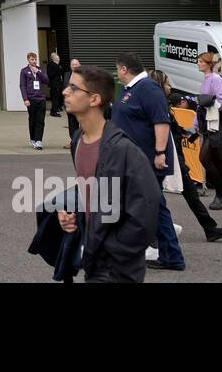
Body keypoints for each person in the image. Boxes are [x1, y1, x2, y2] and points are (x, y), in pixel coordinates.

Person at [57, 66, 161, 282]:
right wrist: (70, 212)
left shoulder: (124, 149)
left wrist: (117, 249)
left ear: (94, 99)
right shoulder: (78, 139)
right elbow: (91, 189)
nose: (65, 92)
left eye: (74, 88)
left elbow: (147, 207)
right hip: (93, 258)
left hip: (116, 267)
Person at [112, 52, 185, 271]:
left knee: (154, 207)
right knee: (149, 206)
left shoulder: (148, 89)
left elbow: (161, 121)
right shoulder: (132, 90)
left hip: (147, 161)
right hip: (133, 160)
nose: (117, 73)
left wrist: (160, 152)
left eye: (118, 69)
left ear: (124, 69)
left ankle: (171, 256)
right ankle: (162, 250)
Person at [149, 71, 222, 242]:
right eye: (166, 84)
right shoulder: (158, 106)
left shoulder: (162, 104)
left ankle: (209, 228)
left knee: (187, 195)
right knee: (160, 197)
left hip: (172, 157)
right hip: (168, 157)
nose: (170, 87)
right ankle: (157, 233)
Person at [196, 50, 222, 209]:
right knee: (218, 162)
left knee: (205, 158)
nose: (198, 63)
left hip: (215, 126)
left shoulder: (215, 79)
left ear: (209, 64)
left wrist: (208, 105)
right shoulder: (207, 79)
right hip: (209, 125)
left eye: (201, 61)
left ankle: (221, 194)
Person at [20, 52, 49, 149]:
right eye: (32, 59)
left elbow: (46, 81)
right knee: (32, 120)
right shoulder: (24, 71)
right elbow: (22, 86)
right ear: (28, 60)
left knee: (40, 120)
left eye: (35, 59)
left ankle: (39, 141)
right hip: (31, 99)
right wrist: (25, 99)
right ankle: (33, 138)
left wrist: (38, 72)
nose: (34, 61)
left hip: (41, 98)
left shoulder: (40, 70)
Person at [62, 58, 82, 148]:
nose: (75, 66)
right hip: (69, 104)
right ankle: (73, 141)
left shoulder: (84, 75)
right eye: (73, 65)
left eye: (76, 65)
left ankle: (81, 142)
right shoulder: (67, 74)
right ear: (70, 66)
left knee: (82, 123)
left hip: (80, 104)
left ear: (79, 65)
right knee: (72, 124)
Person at [46, 52, 64, 118]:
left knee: (57, 98)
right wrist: (57, 68)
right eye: (58, 58)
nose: (59, 59)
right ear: (54, 58)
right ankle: (54, 112)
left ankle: (55, 110)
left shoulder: (56, 65)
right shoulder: (53, 65)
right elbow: (50, 75)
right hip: (55, 85)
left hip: (58, 84)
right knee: (55, 99)